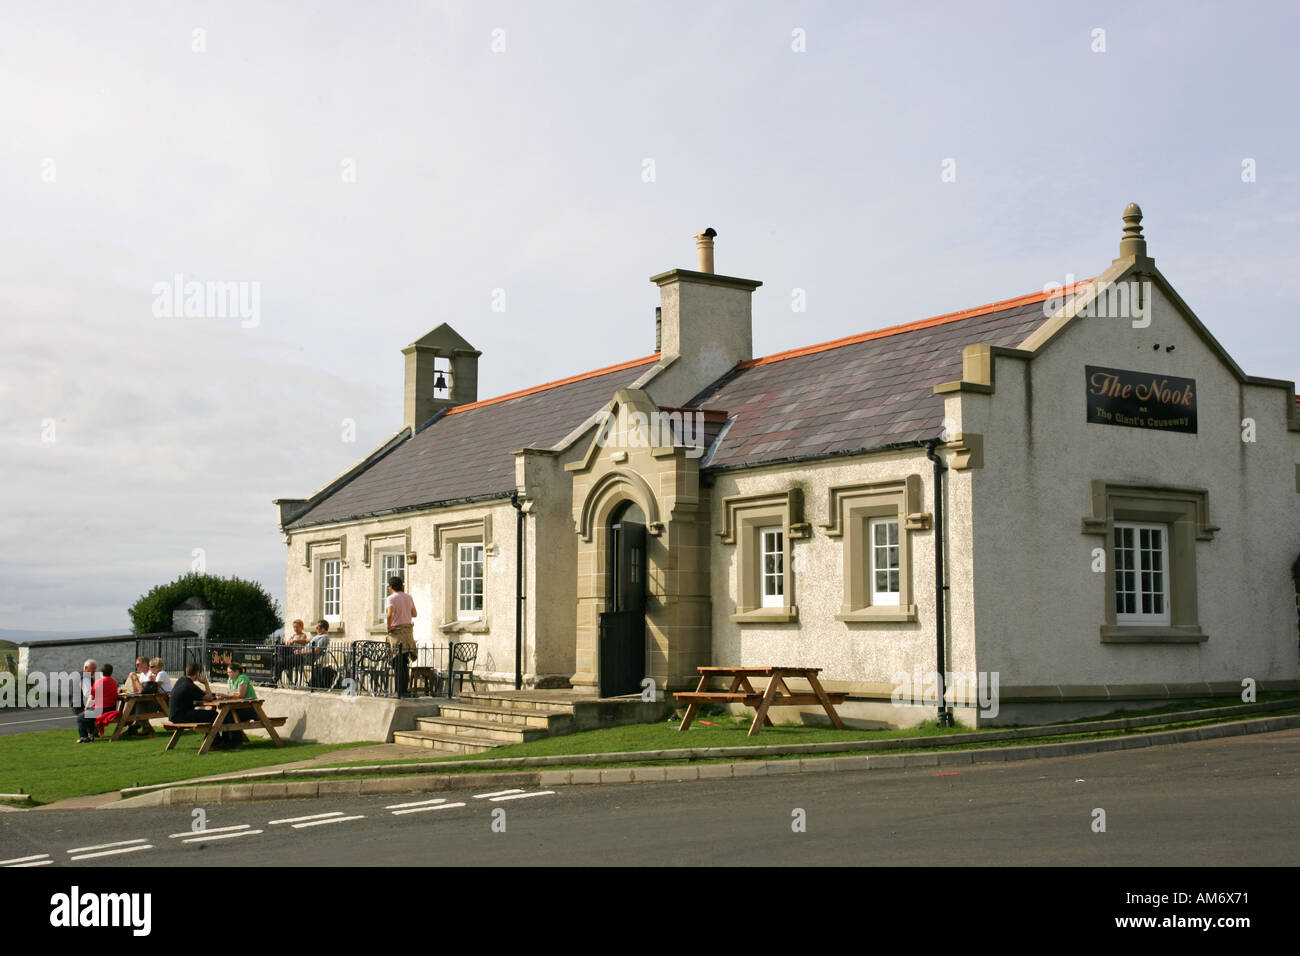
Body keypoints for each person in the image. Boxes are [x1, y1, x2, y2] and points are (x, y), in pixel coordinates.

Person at [385, 577, 417, 696]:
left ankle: (399, 690)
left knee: (396, 662)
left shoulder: (391, 598)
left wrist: (389, 627)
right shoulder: (408, 597)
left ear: (391, 587)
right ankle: (404, 689)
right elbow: (414, 613)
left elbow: (389, 615)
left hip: (397, 633)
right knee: (404, 663)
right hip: (407, 633)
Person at [216, 662, 258, 748]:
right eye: (227, 672)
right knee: (224, 716)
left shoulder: (242, 678)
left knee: (232, 717)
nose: (228, 674)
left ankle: (237, 742)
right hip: (237, 707)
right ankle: (226, 741)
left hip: (250, 707)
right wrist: (223, 697)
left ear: (237, 672)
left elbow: (241, 695)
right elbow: (231, 694)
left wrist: (226, 696)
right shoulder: (230, 680)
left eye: (230, 672)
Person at [168, 662, 215, 728]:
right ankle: (216, 738)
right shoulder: (190, 686)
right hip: (181, 716)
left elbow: (197, 694)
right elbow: (209, 698)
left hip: (173, 716)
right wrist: (206, 683)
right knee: (214, 715)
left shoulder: (181, 681)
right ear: (197, 673)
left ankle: (213, 737)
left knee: (209, 715)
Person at [74, 659, 99, 742]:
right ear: (86, 667)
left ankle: (91, 734)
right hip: (81, 704)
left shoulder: (82, 676)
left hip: (80, 703)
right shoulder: (85, 678)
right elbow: (88, 693)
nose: (94, 671)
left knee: (89, 717)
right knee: (85, 717)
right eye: (93, 669)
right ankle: (85, 736)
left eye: (95, 669)